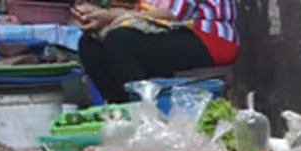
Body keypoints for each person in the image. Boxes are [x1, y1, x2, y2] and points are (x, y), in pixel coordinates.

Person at [74, 0, 239, 104]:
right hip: (168, 31)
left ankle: (142, 113)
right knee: (90, 43)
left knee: (120, 41)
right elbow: (141, 9)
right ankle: (121, 110)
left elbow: (174, 13)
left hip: (208, 36)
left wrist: (112, 17)